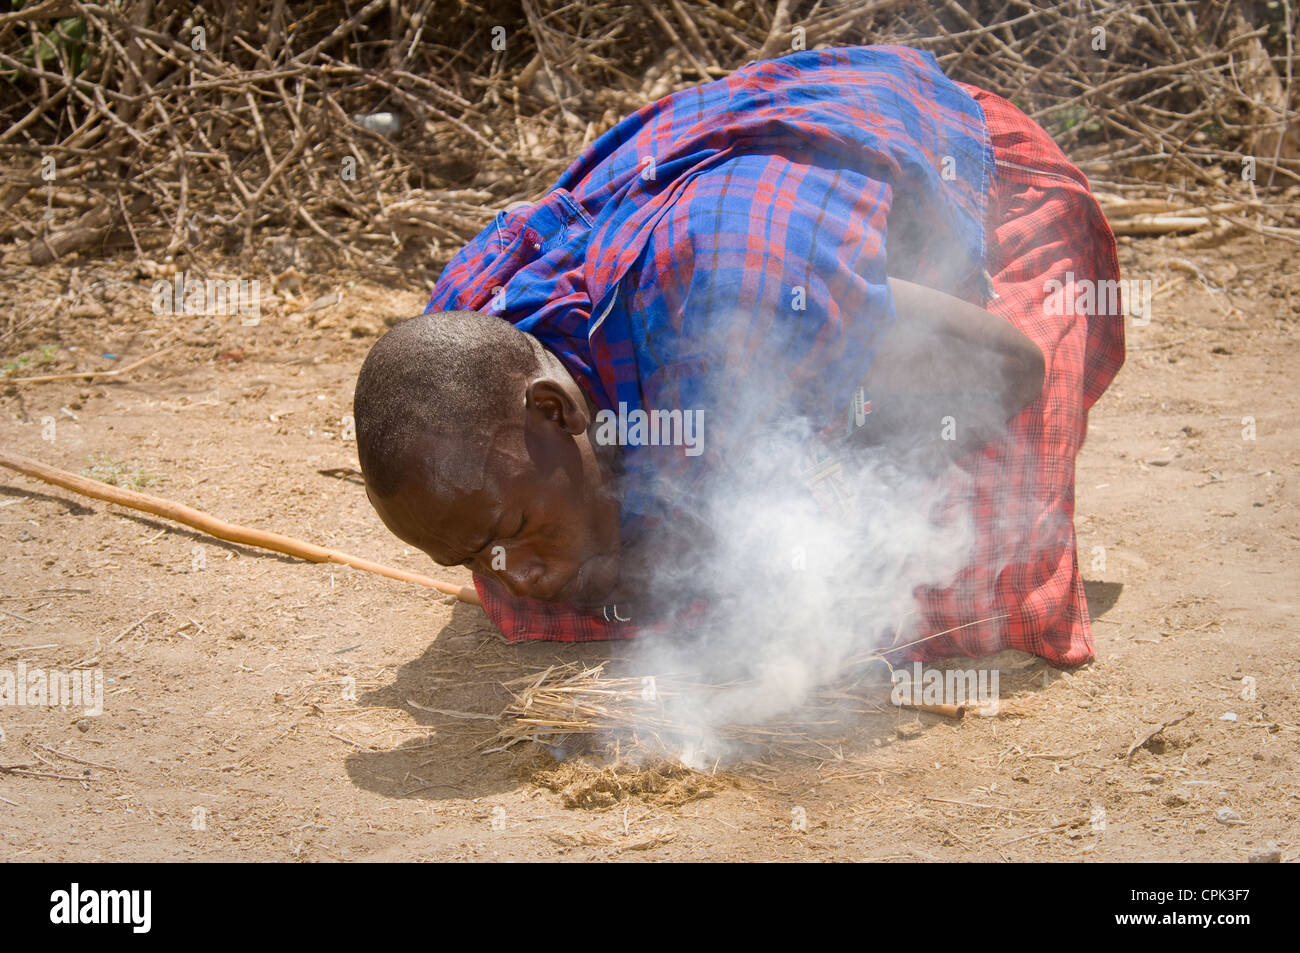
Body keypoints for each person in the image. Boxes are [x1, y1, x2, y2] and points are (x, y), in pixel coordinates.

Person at [354, 45, 1124, 667]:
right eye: (475, 557)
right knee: (591, 590)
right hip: (724, 231)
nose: (517, 573)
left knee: (976, 573)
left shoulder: (741, 306)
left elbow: (1007, 370)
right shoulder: (470, 336)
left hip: (968, 174)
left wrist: (854, 479)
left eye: (515, 527)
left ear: (552, 409)